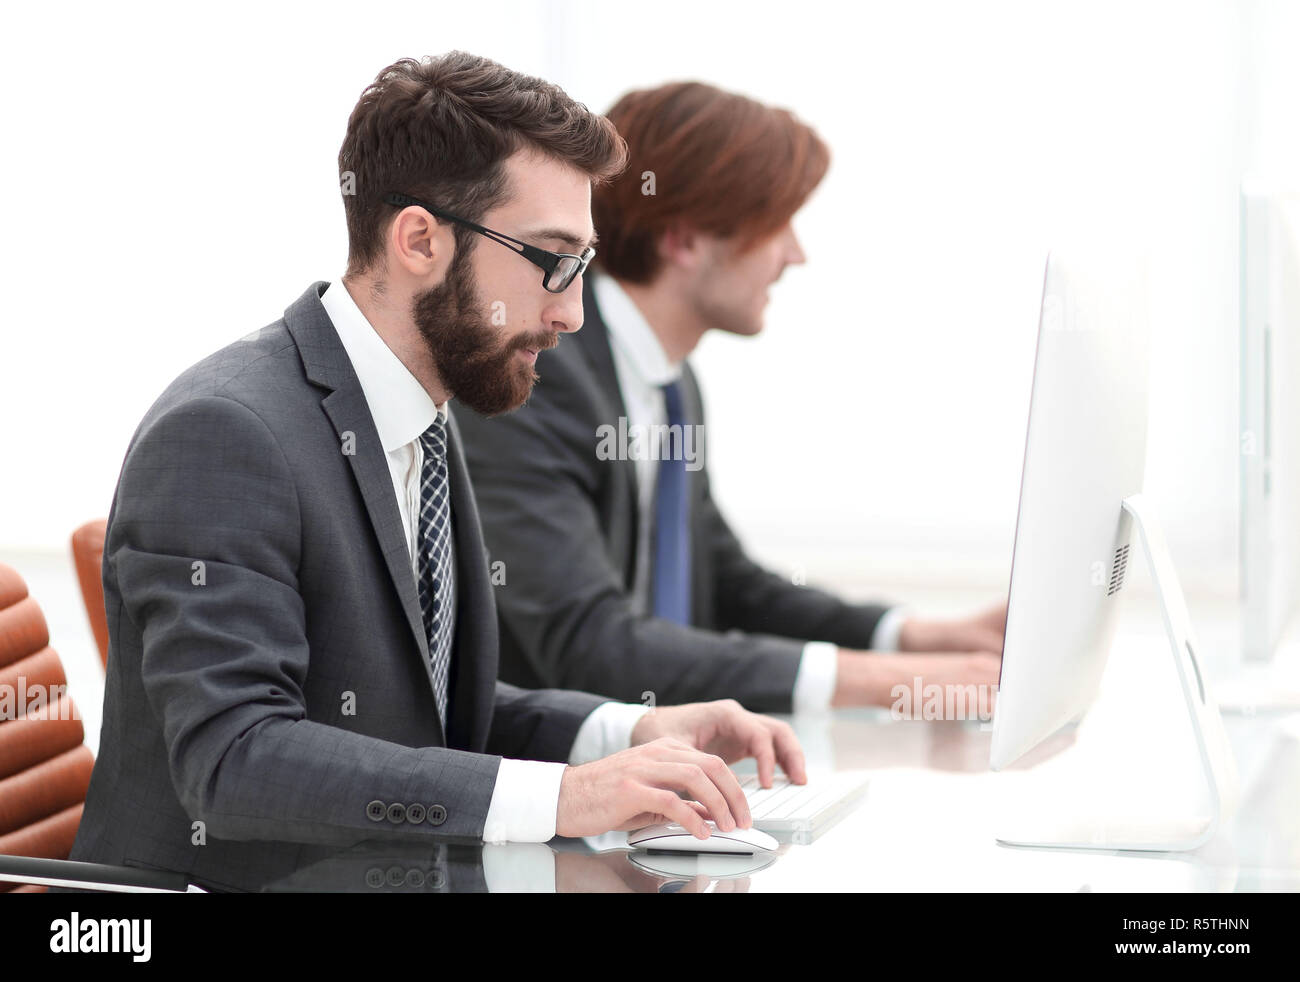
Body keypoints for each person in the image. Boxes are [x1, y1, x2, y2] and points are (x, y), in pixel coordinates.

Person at [67, 55, 804, 892]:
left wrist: (625, 733)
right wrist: (565, 796)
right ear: (420, 240)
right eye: (551, 260)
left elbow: (424, 712)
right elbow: (236, 760)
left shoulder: (421, 412)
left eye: (583, 266)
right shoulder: (226, 432)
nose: (571, 312)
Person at [456, 81, 1005, 714]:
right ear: (686, 240)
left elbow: (726, 581)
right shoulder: (536, 376)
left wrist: (913, 638)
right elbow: (588, 643)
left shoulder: (670, 384)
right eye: (777, 225)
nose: (795, 255)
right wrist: (884, 683)